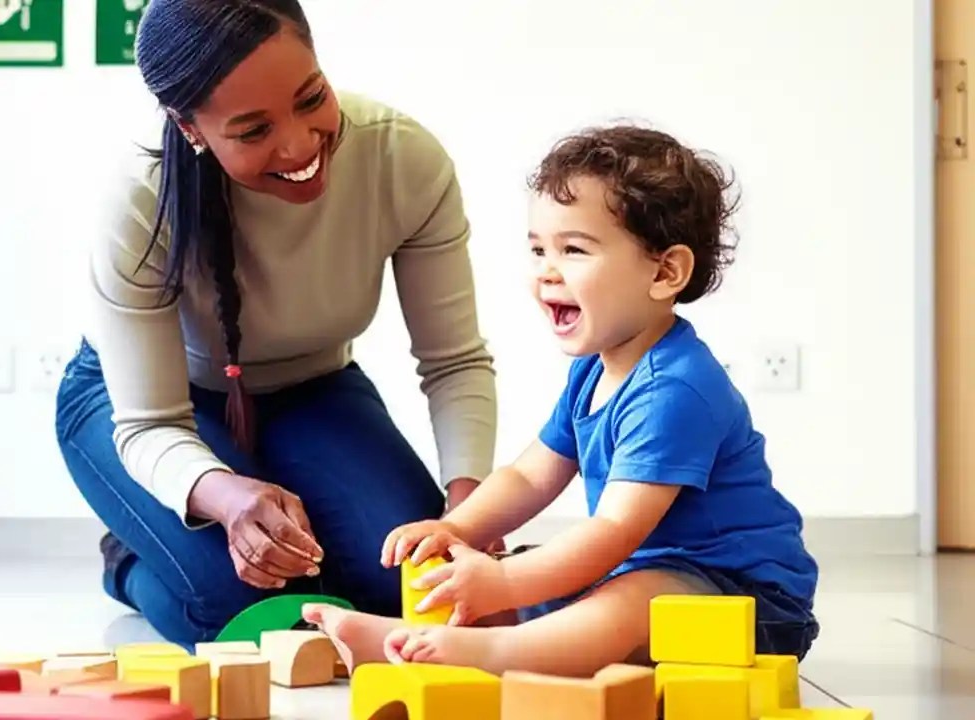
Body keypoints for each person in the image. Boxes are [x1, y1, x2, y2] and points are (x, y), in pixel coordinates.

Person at [54, 0, 500, 647]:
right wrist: (226, 497)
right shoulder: (141, 197)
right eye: (254, 130)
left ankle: (248, 521)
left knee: (407, 586)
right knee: (253, 613)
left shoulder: (401, 157)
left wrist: (468, 513)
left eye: (311, 97)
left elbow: (454, 361)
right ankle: (131, 560)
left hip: (312, 387)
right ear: (191, 128)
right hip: (148, 407)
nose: (298, 144)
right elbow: (151, 422)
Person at [303, 125, 821, 678]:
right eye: (537, 249)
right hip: (634, 570)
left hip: (748, 600)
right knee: (531, 575)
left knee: (627, 596)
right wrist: (459, 530)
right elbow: (529, 477)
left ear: (665, 272)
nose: (546, 270)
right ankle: (407, 641)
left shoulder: (676, 390)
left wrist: (502, 582)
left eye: (573, 250)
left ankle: (493, 660)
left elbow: (613, 531)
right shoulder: (593, 372)